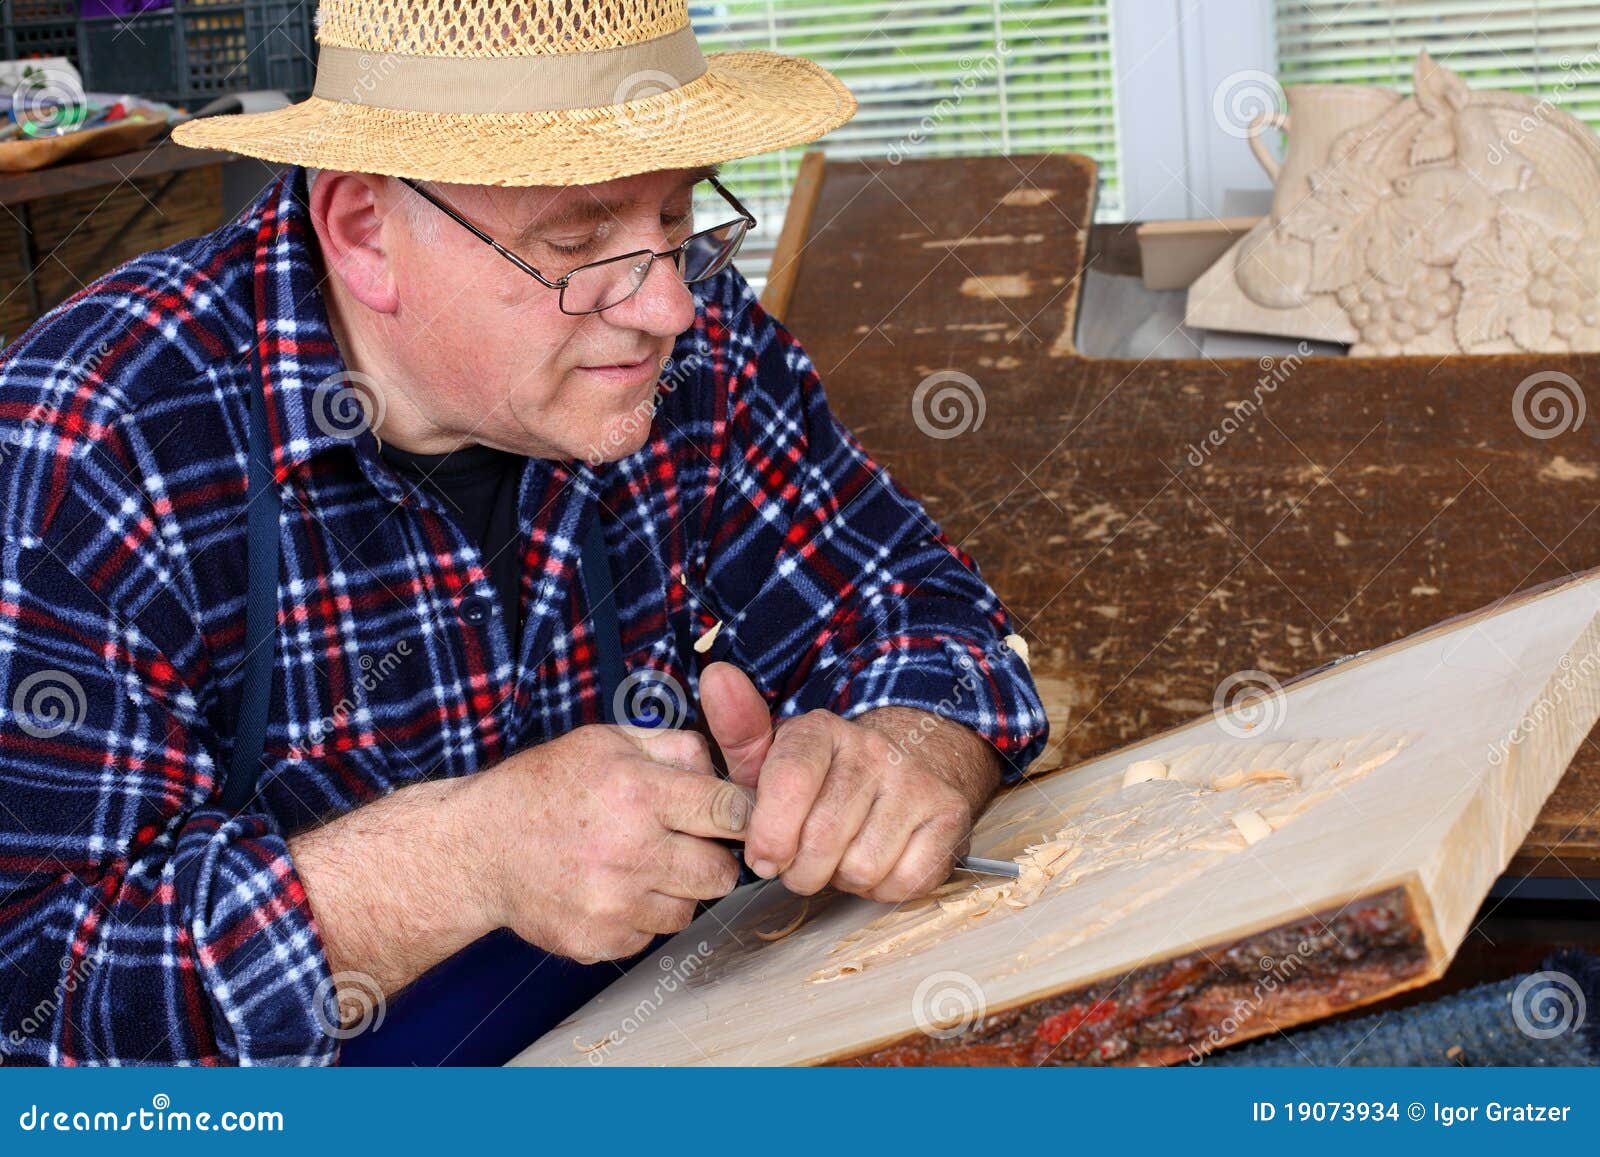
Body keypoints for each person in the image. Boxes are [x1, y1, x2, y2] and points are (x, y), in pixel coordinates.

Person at [0, 0, 1047, 1065]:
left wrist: (911, 749)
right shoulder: (96, 444)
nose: (670, 306)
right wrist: (457, 861)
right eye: (578, 238)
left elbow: (924, 608)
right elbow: (31, 989)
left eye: (679, 218)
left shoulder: (687, 340)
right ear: (366, 233)